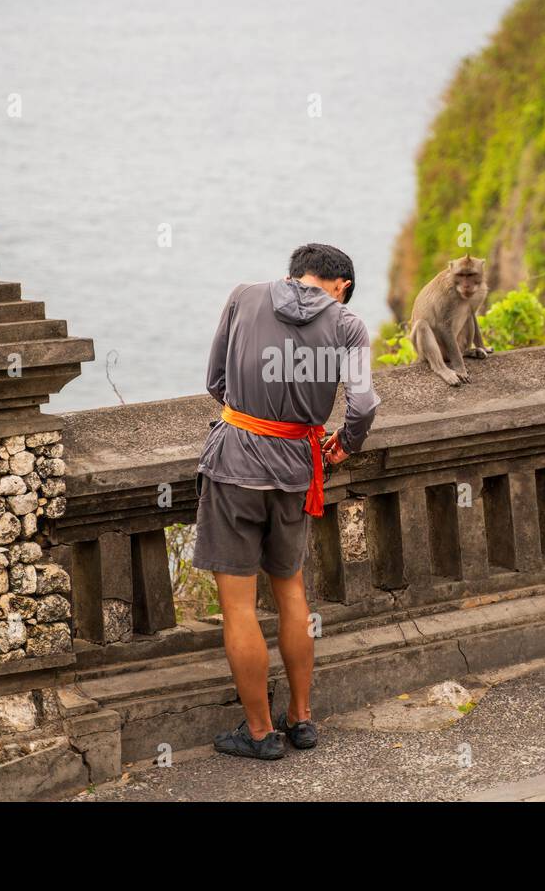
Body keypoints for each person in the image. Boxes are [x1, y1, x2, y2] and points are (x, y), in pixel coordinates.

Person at [192, 242, 380, 760]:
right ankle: (301, 719)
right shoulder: (348, 324)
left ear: (296, 274)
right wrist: (344, 443)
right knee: (291, 593)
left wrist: (253, 411)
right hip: (298, 468)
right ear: (339, 285)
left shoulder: (244, 296)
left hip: (234, 466)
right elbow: (362, 404)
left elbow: (215, 381)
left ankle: (258, 734)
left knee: (237, 607)